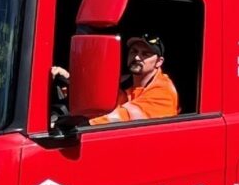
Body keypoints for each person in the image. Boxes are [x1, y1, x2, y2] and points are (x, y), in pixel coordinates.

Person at [52, 35, 180, 124]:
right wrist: (69, 81)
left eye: (145, 54)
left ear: (159, 62)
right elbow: (94, 99)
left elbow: (123, 117)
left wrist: (85, 125)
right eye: (134, 51)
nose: (136, 57)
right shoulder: (124, 82)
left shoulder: (164, 92)